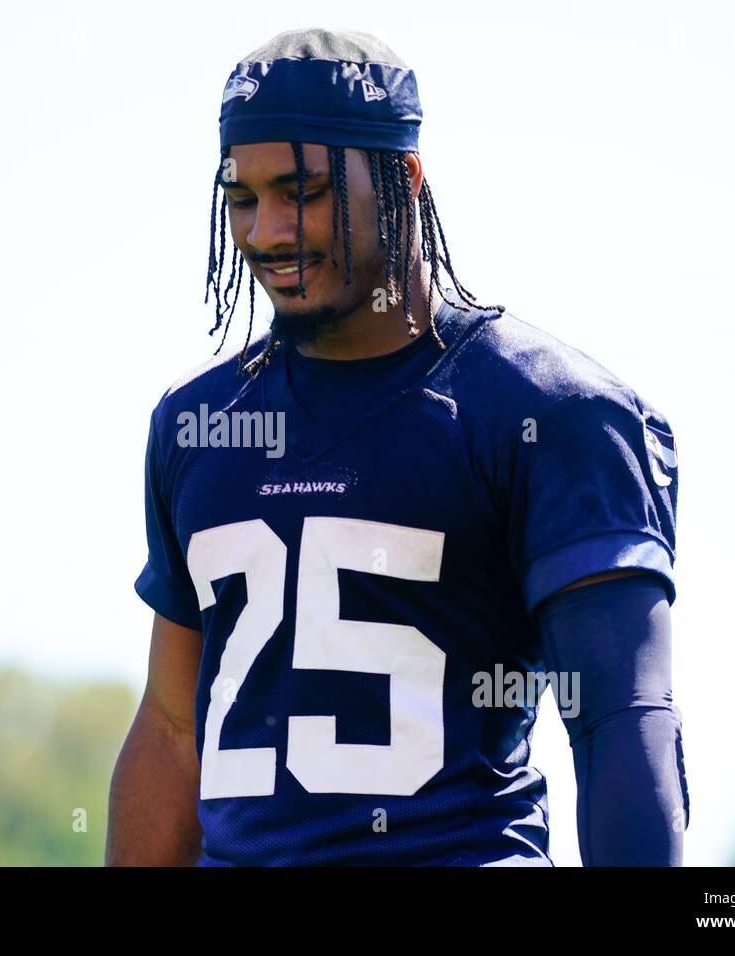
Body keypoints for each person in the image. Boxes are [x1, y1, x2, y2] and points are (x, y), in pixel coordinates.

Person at [106, 27, 689, 866]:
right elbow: (170, 726)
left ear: (403, 179)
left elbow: (620, 715)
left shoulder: (546, 410)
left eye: (300, 191)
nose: (266, 230)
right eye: (242, 196)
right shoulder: (198, 421)